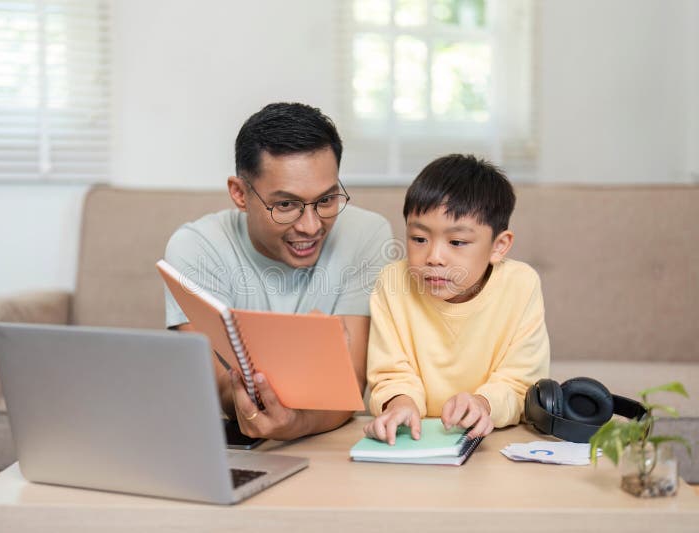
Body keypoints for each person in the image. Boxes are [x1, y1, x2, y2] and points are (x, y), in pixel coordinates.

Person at [165, 102, 393, 441]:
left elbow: (349, 385)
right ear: (239, 194)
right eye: (286, 205)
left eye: (327, 200)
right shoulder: (196, 247)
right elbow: (219, 390)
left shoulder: (366, 234)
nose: (311, 226)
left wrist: (295, 425)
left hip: (328, 446)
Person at [364, 154, 550, 445]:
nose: (434, 258)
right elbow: (390, 372)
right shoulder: (392, 282)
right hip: (412, 439)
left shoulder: (520, 284)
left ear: (498, 246)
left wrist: (483, 404)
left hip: (493, 441)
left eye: (457, 242)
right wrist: (400, 403)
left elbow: (520, 382)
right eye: (419, 239)